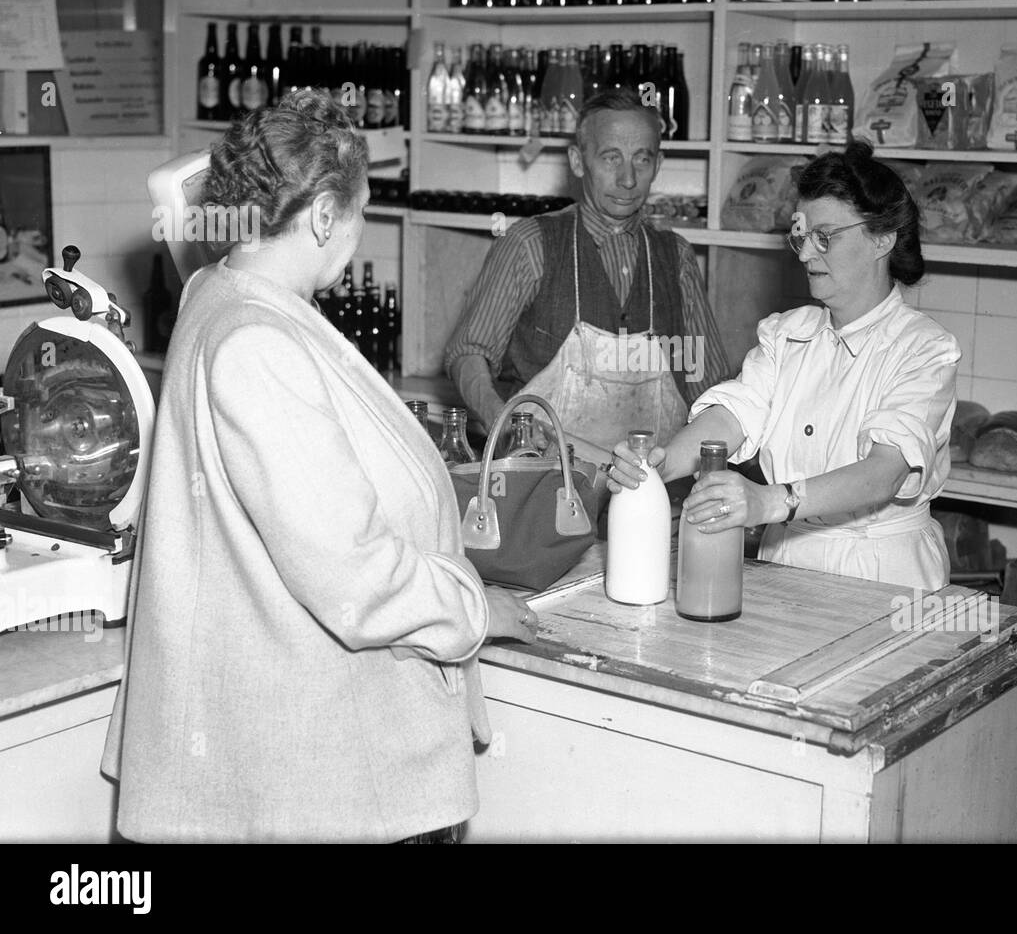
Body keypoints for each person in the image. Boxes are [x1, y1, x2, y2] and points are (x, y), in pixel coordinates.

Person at [101, 90, 537, 843]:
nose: (359, 232)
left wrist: (279, 150)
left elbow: (189, 191)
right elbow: (350, 573)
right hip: (325, 779)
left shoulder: (221, 289)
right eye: (360, 210)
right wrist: (473, 612)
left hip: (304, 762)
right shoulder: (257, 342)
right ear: (326, 217)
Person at [609, 142, 959, 591]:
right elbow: (735, 413)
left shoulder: (924, 349)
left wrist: (771, 501)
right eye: (801, 236)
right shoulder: (787, 334)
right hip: (787, 557)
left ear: (882, 238)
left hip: (884, 574)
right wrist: (661, 465)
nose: (805, 254)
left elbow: (885, 472)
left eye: (825, 237)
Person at [445, 87, 730, 461]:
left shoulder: (675, 255)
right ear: (578, 162)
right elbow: (467, 354)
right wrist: (509, 428)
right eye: (611, 158)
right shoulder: (530, 244)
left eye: (642, 160)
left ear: (658, 165)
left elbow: (712, 392)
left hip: (652, 487)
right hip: (543, 484)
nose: (628, 178)